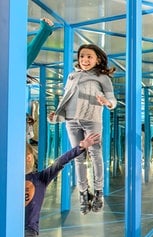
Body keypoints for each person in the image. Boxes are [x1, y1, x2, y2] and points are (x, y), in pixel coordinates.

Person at [48, 44, 117, 214]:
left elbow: (112, 100)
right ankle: (83, 194)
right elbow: (66, 98)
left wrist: (107, 103)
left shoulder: (102, 77)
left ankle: (99, 192)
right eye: (82, 57)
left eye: (89, 57)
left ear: (97, 59)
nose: (85, 60)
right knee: (77, 157)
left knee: (96, 155)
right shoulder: (72, 76)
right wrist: (56, 116)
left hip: (92, 120)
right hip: (71, 121)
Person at [24, 134, 99, 237]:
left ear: (28, 158)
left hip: (28, 230)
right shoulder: (8, 180)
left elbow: (60, 162)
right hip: (9, 229)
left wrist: (80, 147)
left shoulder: (40, 178)